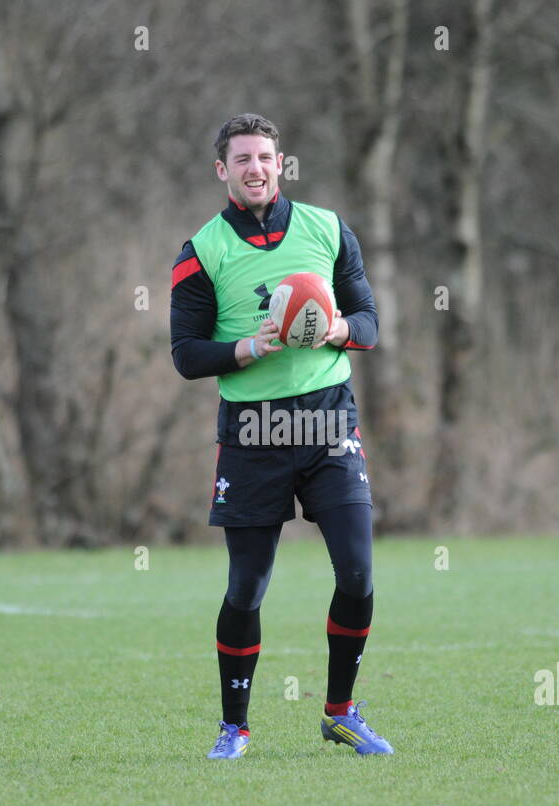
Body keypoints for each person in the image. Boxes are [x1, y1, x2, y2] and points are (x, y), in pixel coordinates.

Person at [169, 113, 394, 759]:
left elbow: (371, 323)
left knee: (357, 572)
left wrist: (335, 329)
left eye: (265, 157)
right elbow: (186, 354)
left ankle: (341, 712)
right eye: (242, 159)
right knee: (248, 585)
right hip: (252, 432)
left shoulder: (328, 229)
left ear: (281, 162)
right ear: (223, 170)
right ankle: (233, 726)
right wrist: (244, 346)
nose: (255, 168)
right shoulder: (202, 251)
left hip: (328, 422)